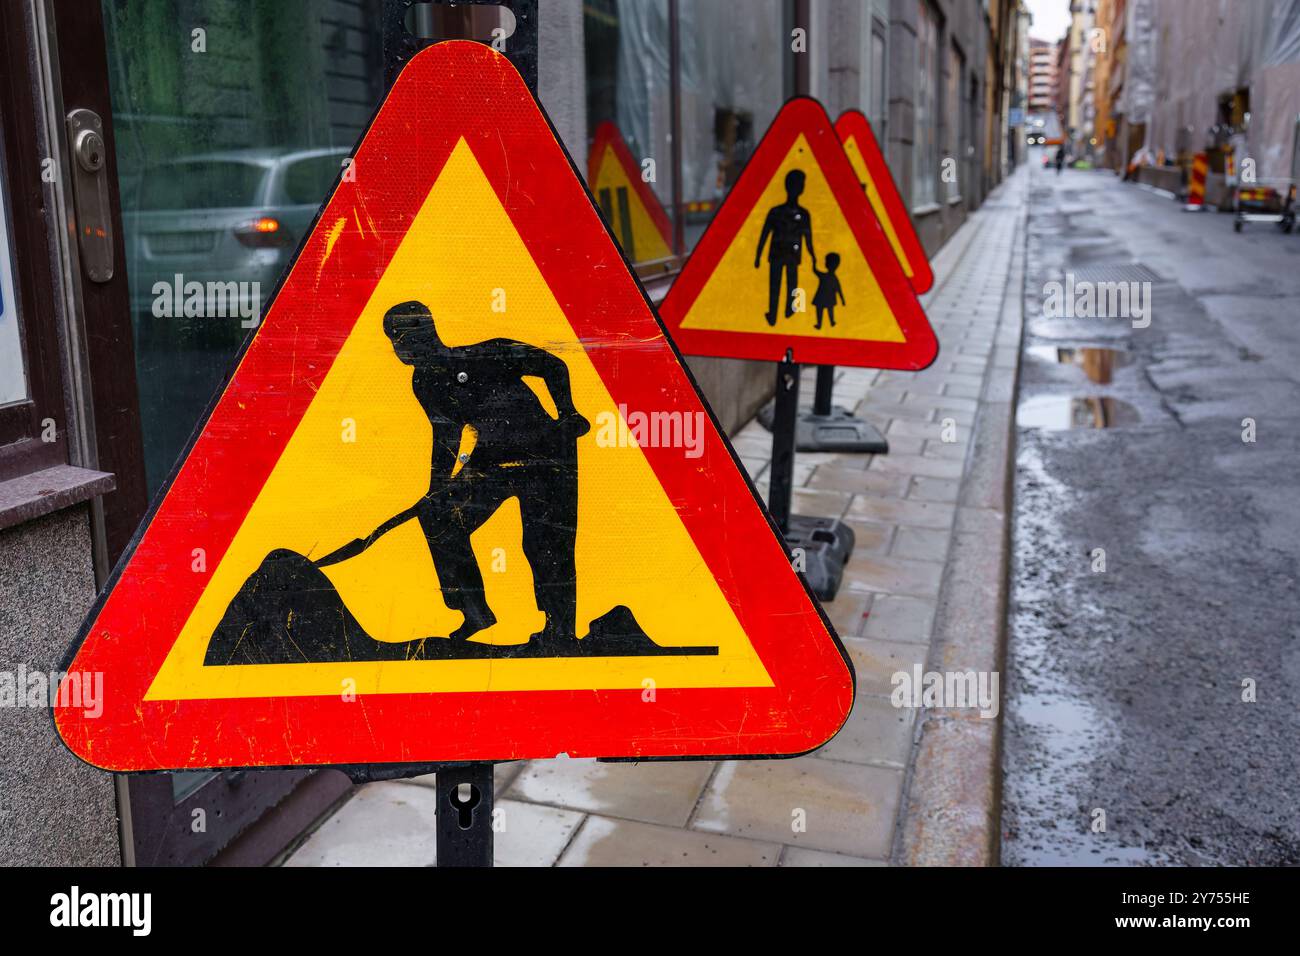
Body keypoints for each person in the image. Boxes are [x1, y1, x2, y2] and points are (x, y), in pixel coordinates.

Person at [382, 300, 590, 647]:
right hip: (492, 457)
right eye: (396, 342)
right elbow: (446, 434)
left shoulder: (487, 353)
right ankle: (475, 611)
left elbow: (553, 365)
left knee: (545, 543)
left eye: (403, 340)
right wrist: (437, 489)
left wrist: (567, 413)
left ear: (426, 335)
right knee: (439, 516)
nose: (401, 350)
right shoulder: (424, 381)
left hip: (546, 452)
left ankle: (560, 631)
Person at [754, 169, 815, 326]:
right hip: (784, 254)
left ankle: (785, 313)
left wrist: (813, 257)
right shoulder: (792, 213)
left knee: (787, 285)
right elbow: (764, 234)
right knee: (781, 285)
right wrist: (757, 256)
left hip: (783, 254)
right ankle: (780, 314)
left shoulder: (784, 212)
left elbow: (808, 238)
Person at [810, 252, 845, 330]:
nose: (825, 262)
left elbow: (839, 289)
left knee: (822, 309)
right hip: (827, 297)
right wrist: (842, 300)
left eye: (826, 261)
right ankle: (828, 322)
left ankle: (827, 322)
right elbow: (839, 290)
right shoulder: (833, 278)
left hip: (823, 297)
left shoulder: (826, 276)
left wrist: (814, 262)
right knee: (827, 309)